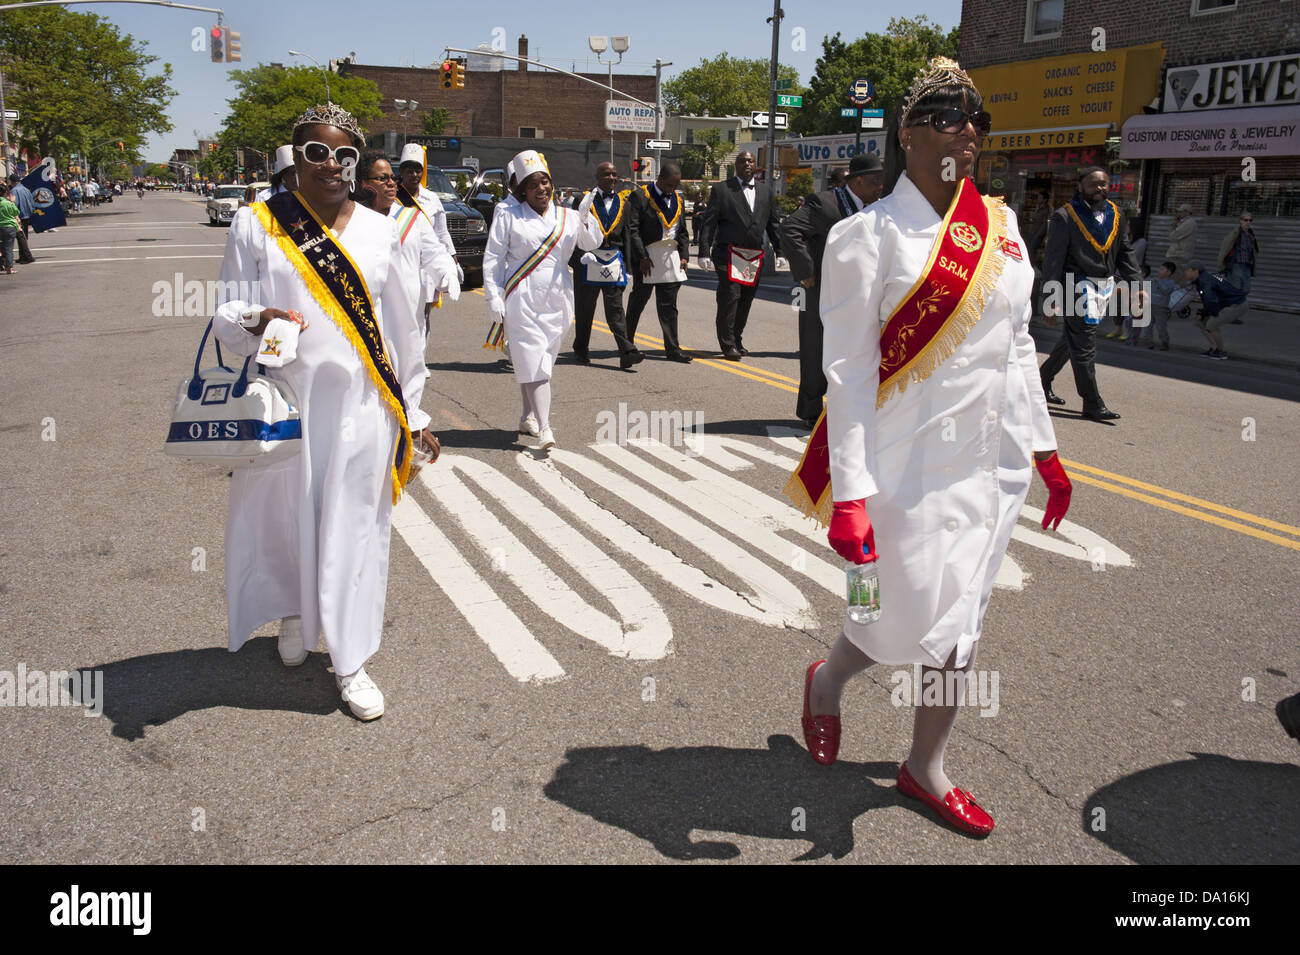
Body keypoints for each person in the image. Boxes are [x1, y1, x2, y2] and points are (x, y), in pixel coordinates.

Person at [787, 56, 1072, 838]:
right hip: (898, 468)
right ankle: (828, 678)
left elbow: (1018, 346)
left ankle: (925, 766)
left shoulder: (1004, 229)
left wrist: (1044, 452)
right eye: (948, 114)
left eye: (977, 115)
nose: (968, 128)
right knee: (892, 615)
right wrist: (847, 493)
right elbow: (843, 378)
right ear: (906, 133)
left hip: (987, 466)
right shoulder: (864, 237)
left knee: (960, 625)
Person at [211, 103, 438, 720]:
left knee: (354, 527)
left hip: (361, 407)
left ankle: (350, 656)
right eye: (317, 152)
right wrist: (257, 319)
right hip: (284, 402)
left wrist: (412, 414)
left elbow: (404, 330)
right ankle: (294, 612)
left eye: (344, 156)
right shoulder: (257, 225)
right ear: (294, 158)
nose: (332, 165)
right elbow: (227, 316)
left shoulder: (382, 230)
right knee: (286, 517)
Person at [482, 150, 602, 449]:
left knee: (539, 360)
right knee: (534, 362)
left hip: (558, 296)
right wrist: (493, 296)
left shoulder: (568, 216)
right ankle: (546, 427)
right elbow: (494, 258)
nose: (541, 189)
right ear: (522, 189)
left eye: (545, 182)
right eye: (533, 184)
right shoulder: (507, 214)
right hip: (521, 296)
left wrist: (587, 216)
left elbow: (592, 242)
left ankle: (527, 415)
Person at [780, 153, 884, 428]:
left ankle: (849, 408)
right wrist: (806, 272)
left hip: (862, 291)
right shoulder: (825, 203)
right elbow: (790, 229)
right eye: (875, 181)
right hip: (822, 290)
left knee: (857, 350)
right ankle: (810, 410)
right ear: (858, 181)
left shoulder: (878, 208)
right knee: (816, 348)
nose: (879, 188)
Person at [1037, 167, 1141, 422]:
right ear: (1080, 185)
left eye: (1104, 184)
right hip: (1075, 285)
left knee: (1072, 341)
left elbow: (1125, 252)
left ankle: (1040, 381)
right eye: (1094, 184)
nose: (1100, 188)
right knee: (1084, 345)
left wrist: (1137, 285)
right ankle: (1092, 403)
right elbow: (1053, 260)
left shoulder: (1116, 214)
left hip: (1103, 285)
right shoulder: (1065, 216)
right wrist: (1050, 300)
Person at [356, 149, 457, 346]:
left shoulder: (413, 219)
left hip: (408, 318)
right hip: (369, 318)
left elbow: (434, 251)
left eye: (392, 178)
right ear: (364, 184)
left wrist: (446, 272)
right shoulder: (351, 219)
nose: (391, 183)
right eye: (382, 179)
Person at [698, 150, 784, 360]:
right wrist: (703, 252)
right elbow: (708, 223)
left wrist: (780, 250)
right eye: (743, 161)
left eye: (751, 161)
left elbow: (773, 224)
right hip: (728, 253)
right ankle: (727, 344)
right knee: (730, 297)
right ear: (736, 165)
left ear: (756, 165)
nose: (747, 164)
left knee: (745, 299)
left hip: (753, 255)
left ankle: (737, 338)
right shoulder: (722, 190)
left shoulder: (765, 191)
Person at [570, 162, 640, 370]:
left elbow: (627, 236)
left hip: (613, 262)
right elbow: (574, 232)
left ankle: (627, 352)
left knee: (616, 310)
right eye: (607, 174)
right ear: (597, 176)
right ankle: (580, 348)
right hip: (588, 261)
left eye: (614, 174)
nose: (611, 178)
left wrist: (628, 269)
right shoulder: (583, 200)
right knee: (585, 309)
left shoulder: (624, 203)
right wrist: (579, 257)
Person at [625, 160, 693, 363]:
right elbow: (633, 229)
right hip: (647, 258)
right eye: (670, 184)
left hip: (670, 256)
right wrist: (642, 257)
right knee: (639, 301)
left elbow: (682, 231)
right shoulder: (641, 196)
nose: (673, 189)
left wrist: (684, 255)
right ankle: (627, 345)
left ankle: (673, 349)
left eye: (676, 185)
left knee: (669, 306)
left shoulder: (677, 199)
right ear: (660, 179)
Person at [1184, 262, 1247, 360]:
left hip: (1237, 304)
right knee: (1200, 321)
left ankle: (1221, 352)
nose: (1185, 273)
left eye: (1187, 270)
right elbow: (1210, 300)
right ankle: (1214, 348)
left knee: (1211, 324)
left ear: (1195, 271)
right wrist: (1202, 313)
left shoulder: (1205, 281)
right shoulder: (1203, 279)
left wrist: (1203, 312)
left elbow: (1211, 301)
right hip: (1223, 303)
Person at [1218, 211, 1258, 323]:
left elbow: (1253, 252)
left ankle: (1226, 310)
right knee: (1235, 291)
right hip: (1235, 266)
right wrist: (1221, 265)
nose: (1248, 222)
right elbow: (1224, 249)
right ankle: (1230, 315)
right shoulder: (1235, 233)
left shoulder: (1250, 235)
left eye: (1250, 220)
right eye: (1246, 220)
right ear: (1240, 221)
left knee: (1245, 289)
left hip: (1246, 267)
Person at [1135, 260, 1176, 350]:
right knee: (1147, 326)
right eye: (1160, 268)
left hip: (1161, 308)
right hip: (1149, 306)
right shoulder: (1152, 280)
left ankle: (1165, 343)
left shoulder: (1170, 283)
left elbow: (1166, 291)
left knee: (1161, 326)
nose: (1159, 271)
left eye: (1162, 269)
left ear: (1169, 272)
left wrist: (1159, 282)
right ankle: (1149, 342)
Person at [7, 175, 36, 264]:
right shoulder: (26, 189)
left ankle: (27, 257)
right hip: (26, 215)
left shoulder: (14, 191)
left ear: (12, 182)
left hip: (19, 216)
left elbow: (13, 205)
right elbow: (32, 202)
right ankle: (23, 256)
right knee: (23, 237)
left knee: (21, 237)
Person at [1166, 203, 1197, 283]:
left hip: (1179, 255)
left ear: (1186, 212)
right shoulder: (1184, 223)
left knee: (1177, 278)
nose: (1178, 214)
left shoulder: (1189, 223)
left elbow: (1173, 236)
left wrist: (1173, 225)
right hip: (1178, 254)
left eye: (1180, 212)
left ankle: (1177, 294)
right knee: (1177, 277)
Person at [0, 185, 20, 274]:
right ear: (5, 193)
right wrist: (12, 202)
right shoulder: (8, 203)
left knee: (1, 247)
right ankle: (9, 267)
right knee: (8, 248)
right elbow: (16, 212)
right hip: (9, 226)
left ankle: (2, 264)